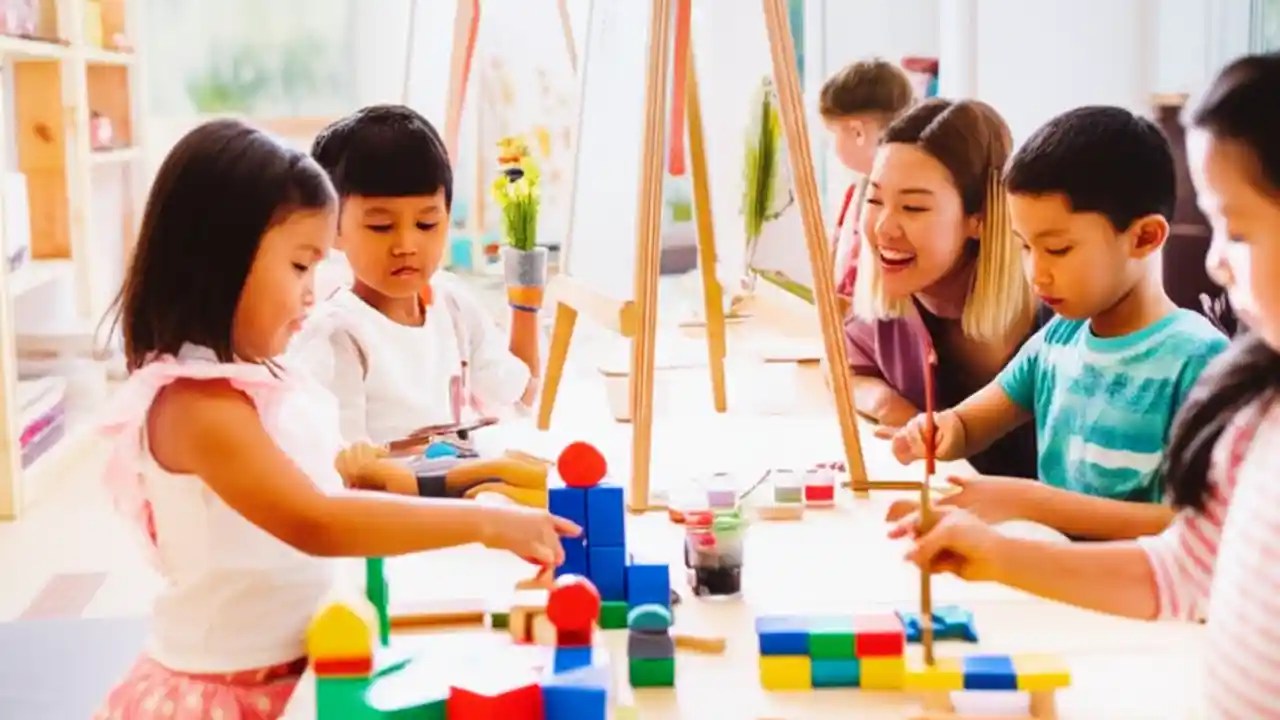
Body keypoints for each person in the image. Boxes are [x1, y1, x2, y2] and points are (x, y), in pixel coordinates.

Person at [94, 119, 578, 718]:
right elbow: (317, 519)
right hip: (231, 692)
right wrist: (482, 522)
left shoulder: (258, 377)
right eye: (300, 267)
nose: (310, 291)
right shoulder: (196, 406)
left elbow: (344, 478)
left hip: (309, 661)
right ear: (219, 258)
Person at [892, 53, 1280, 717]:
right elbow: (1182, 568)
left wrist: (1022, 509)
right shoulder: (1254, 413)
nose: (1215, 259)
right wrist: (995, 554)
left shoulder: (1202, 366)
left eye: (1237, 231)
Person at [886, 106, 1229, 540]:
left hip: (1135, 600)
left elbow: (1193, 528)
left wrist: (1031, 503)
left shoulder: (1199, 361)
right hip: (1052, 583)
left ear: (1144, 237)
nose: (1036, 273)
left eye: (1059, 249)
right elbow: (969, 424)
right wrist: (936, 431)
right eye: (1025, 247)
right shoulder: (1057, 341)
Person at [290, 105, 540, 450]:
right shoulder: (337, 334)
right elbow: (346, 470)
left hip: (456, 488)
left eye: (426, 224)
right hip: (392, 501)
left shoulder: (453, 305)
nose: (406, 245)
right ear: (332, 228)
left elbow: (521, 391)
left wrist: (526, 303)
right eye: (381, 226)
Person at [847, 98, 1049, 479]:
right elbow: (839, 366)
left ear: (981, 219)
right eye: (874, 200)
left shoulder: (1056, 319)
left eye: (913, 208)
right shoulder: (898, 305)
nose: (883, 228)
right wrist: (890, 405)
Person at [818, 58, 916, 299]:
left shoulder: (894, 201)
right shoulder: (857, 192)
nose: (832, 145)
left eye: (834, 134)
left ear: (857, 131)